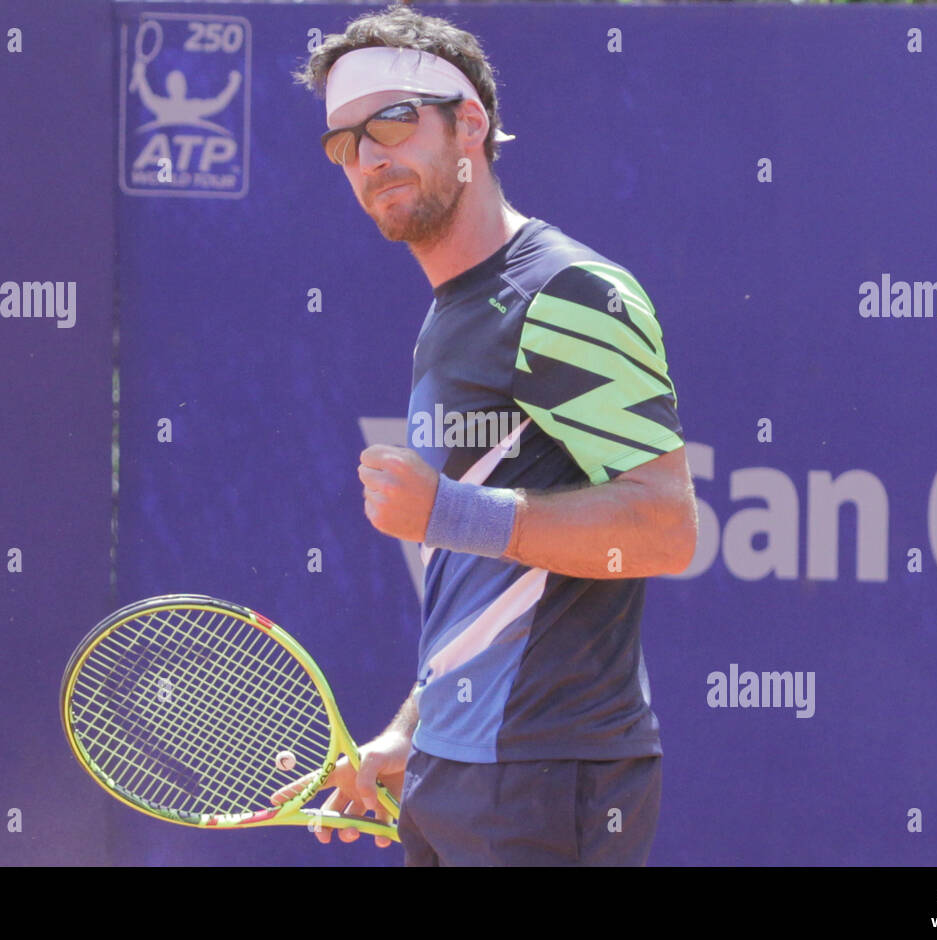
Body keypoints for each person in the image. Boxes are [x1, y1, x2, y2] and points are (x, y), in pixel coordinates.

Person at [278, 4, 698, 866]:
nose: (369, 157)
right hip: (455, 770)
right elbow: (489, 595)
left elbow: (666, 528)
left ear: (470, 124)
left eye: (393, 120)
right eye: (344, 142)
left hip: (551, 774)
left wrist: (451, 512)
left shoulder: (568, 292)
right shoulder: (448, 315)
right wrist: (412, 730)